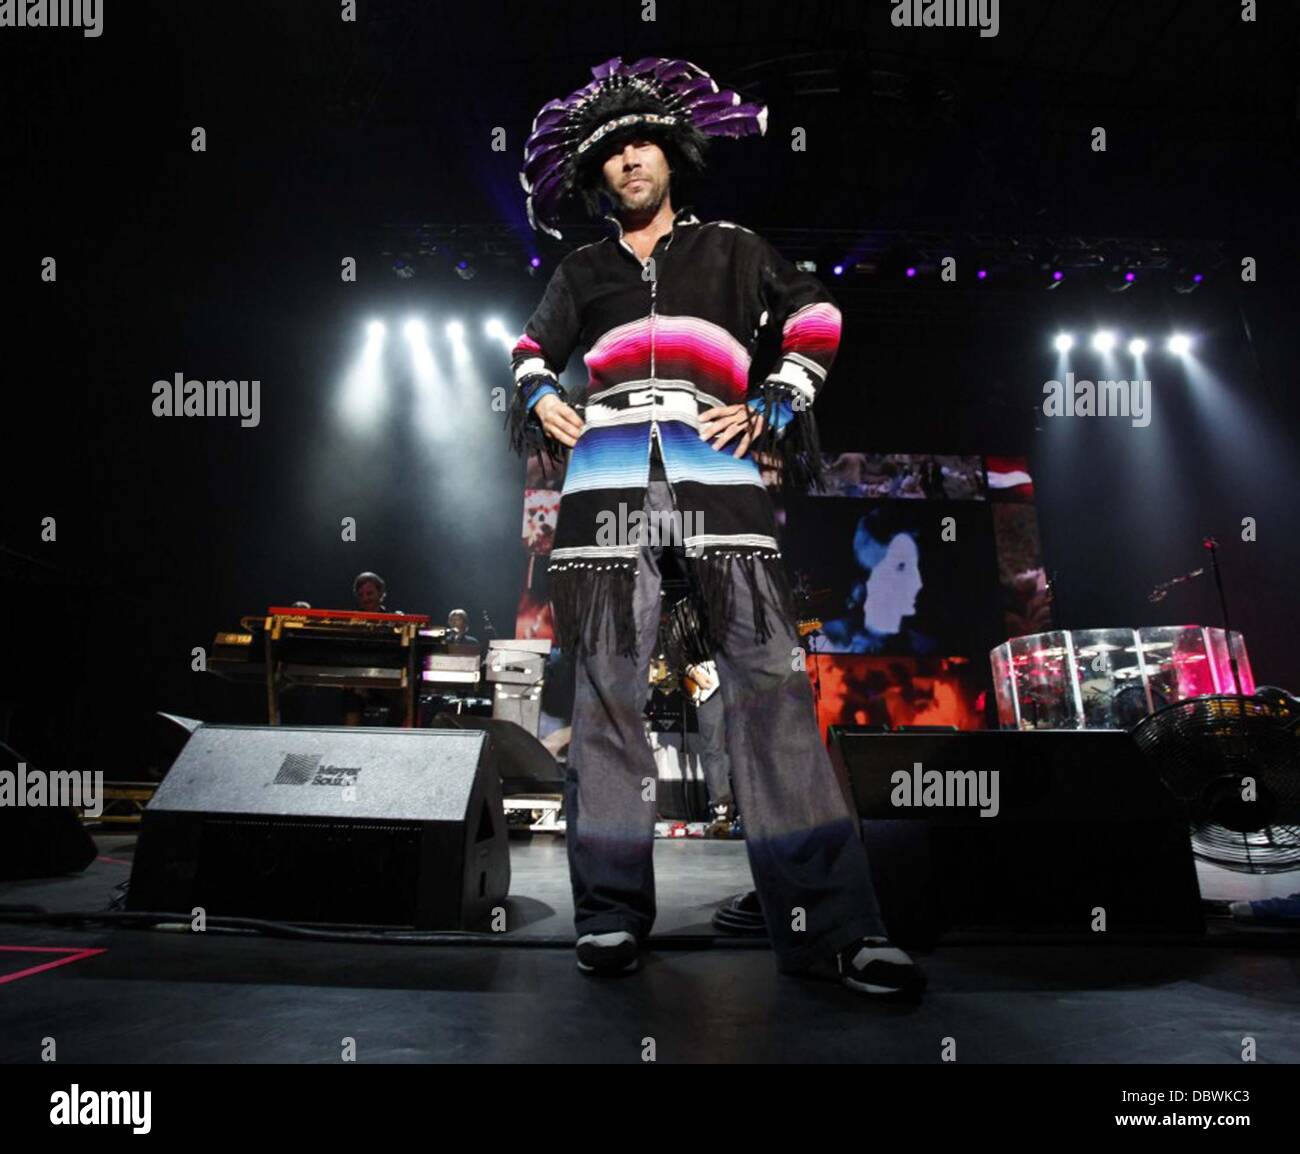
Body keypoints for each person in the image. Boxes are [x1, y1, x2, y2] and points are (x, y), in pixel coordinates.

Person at [507, 55, 924, 998]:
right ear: (596, 177)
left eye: (642, 145)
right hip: (609, 488)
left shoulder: (734, 249)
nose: (628, 163)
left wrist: (780, 395)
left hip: (718, 477)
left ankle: (836, 928)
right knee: (609, 695)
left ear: (672, 154)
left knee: (770, 685)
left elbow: (815, 312)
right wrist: (538, 395)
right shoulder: (580, 270)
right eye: (610, 156)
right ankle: (610, 914)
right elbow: (532, 347)